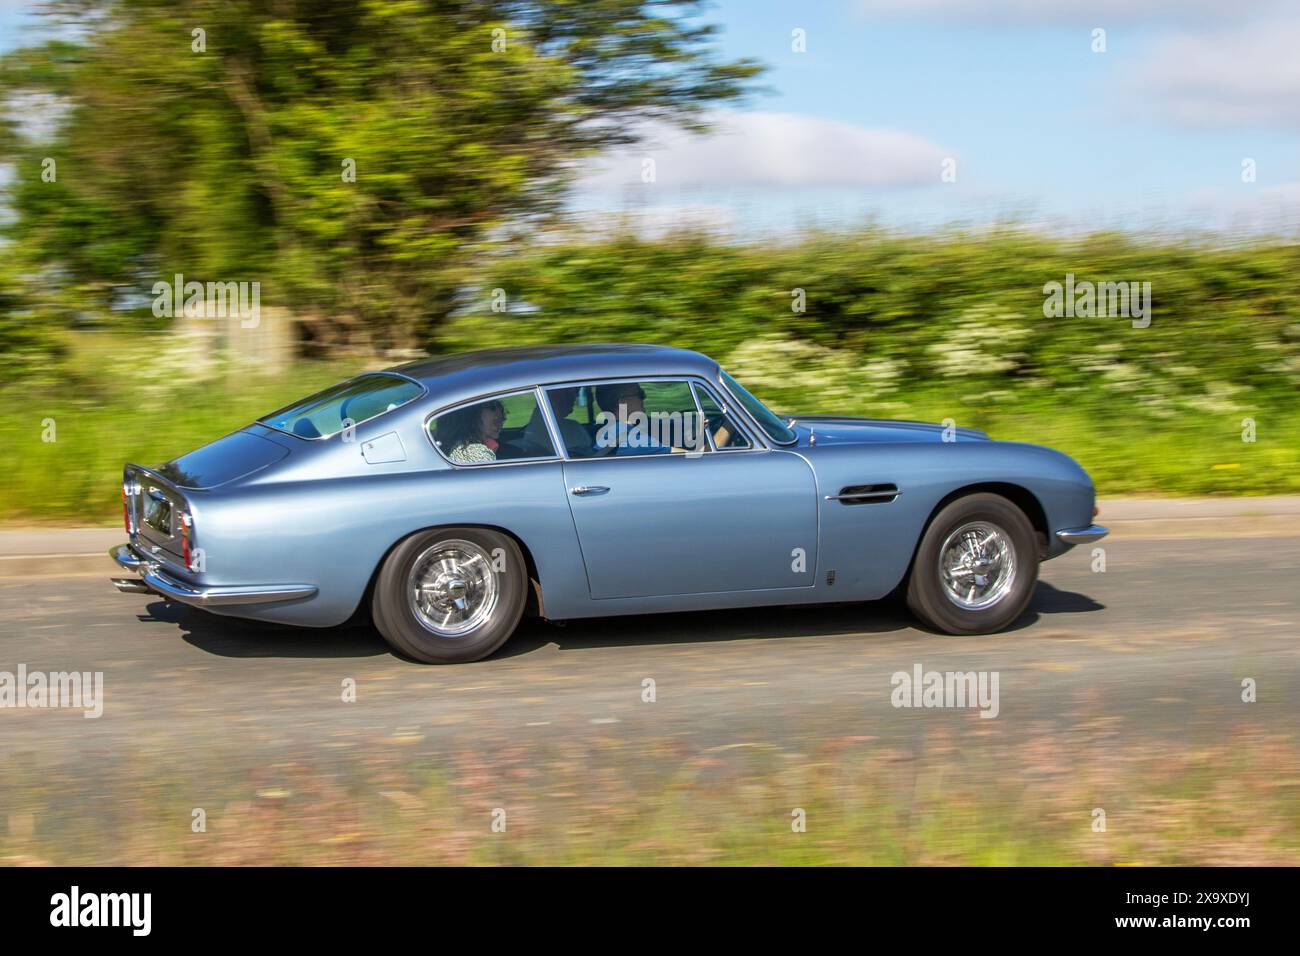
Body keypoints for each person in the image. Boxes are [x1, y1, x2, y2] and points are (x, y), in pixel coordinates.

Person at [526, 387, 591, 457]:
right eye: (573, 392)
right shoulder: (573, 429)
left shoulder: (534, 427)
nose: (577, 396)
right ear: (556, 398)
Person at [438, 399, 504, 464]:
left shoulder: (460, 445)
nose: (499, 424)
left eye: (502, 419)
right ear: (475, 420)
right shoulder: (474, 453)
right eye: (495, 420)